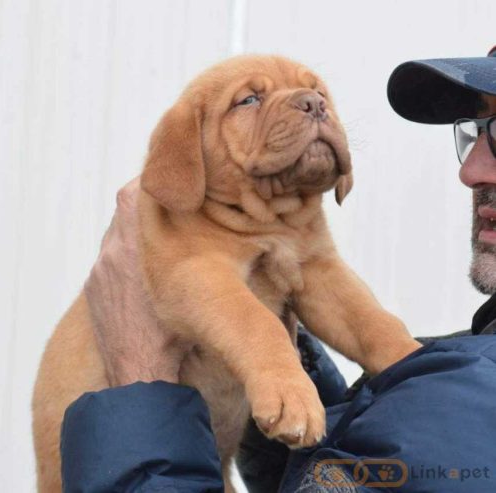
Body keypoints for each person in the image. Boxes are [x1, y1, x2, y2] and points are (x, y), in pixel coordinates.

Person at [60, 47, 496, 492]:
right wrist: (299, 361)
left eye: (317, 96)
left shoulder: (476, 401)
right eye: (250, 100)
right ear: (186, 149)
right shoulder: (465, 368)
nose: (310, 105)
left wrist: (140, 381)